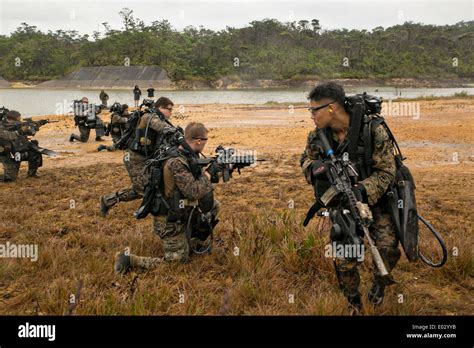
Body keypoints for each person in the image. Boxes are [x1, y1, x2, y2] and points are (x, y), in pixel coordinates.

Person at [301, 82, 400, 313]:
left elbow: (387, 172)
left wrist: (362, 190)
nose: (312, 116)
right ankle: (353, 302)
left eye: (315, 110)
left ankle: (378, 284)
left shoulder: (372, 130)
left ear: (332, 108)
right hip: (342, 204)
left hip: (376, 200)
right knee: (345, 258)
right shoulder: (317, 137)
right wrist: (317, 168)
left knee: (388, 249)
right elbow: (305, 162)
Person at [114, 122, 220, 273]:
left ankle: (195, 242)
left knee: (213, 206)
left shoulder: (184, 154)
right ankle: (129, 260)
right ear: (198, 141)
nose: (205, 144)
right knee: (176, 263)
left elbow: (194, 184)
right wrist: (209, 174)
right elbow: (193, 192)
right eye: (205, 140)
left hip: (181, 211)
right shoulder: (177, 162)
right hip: (169, 221)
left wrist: (217, 172)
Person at [100, 97, 177, 216]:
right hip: (134, 158)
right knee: (143, 189)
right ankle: (108, 200)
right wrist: (175, 133)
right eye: (169, 109)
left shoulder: (158, 117)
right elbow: (161, 127)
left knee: (148, 186)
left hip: (145, 158)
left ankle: (109, 200)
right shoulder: (149, 117)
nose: (171, 112)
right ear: (160, 108)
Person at [0, 110, 43, 181]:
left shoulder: (17, 126)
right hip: (5, 153)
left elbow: (30, 133)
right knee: (10, 178)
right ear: (10, 120)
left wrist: (35, 127)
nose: (19, 121)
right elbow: (9, 136)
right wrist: (20, 131)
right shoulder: (1, 126)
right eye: (18, 120)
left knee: (35, 151)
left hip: (16, 151)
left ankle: (32, 174)